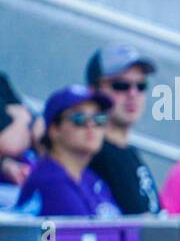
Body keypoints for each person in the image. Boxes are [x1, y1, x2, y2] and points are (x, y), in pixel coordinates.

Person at [15, 86, 120, 218]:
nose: (91, 125)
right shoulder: (50, 181)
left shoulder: (91, 178)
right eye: (79, 119)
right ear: (54, 130)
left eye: (99, 119)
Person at [86, 43, 161, 214]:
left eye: (141, 86)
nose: (133, 94)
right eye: (120, 86)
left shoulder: (129, 151)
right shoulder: (92, 153)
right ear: (93, 91)